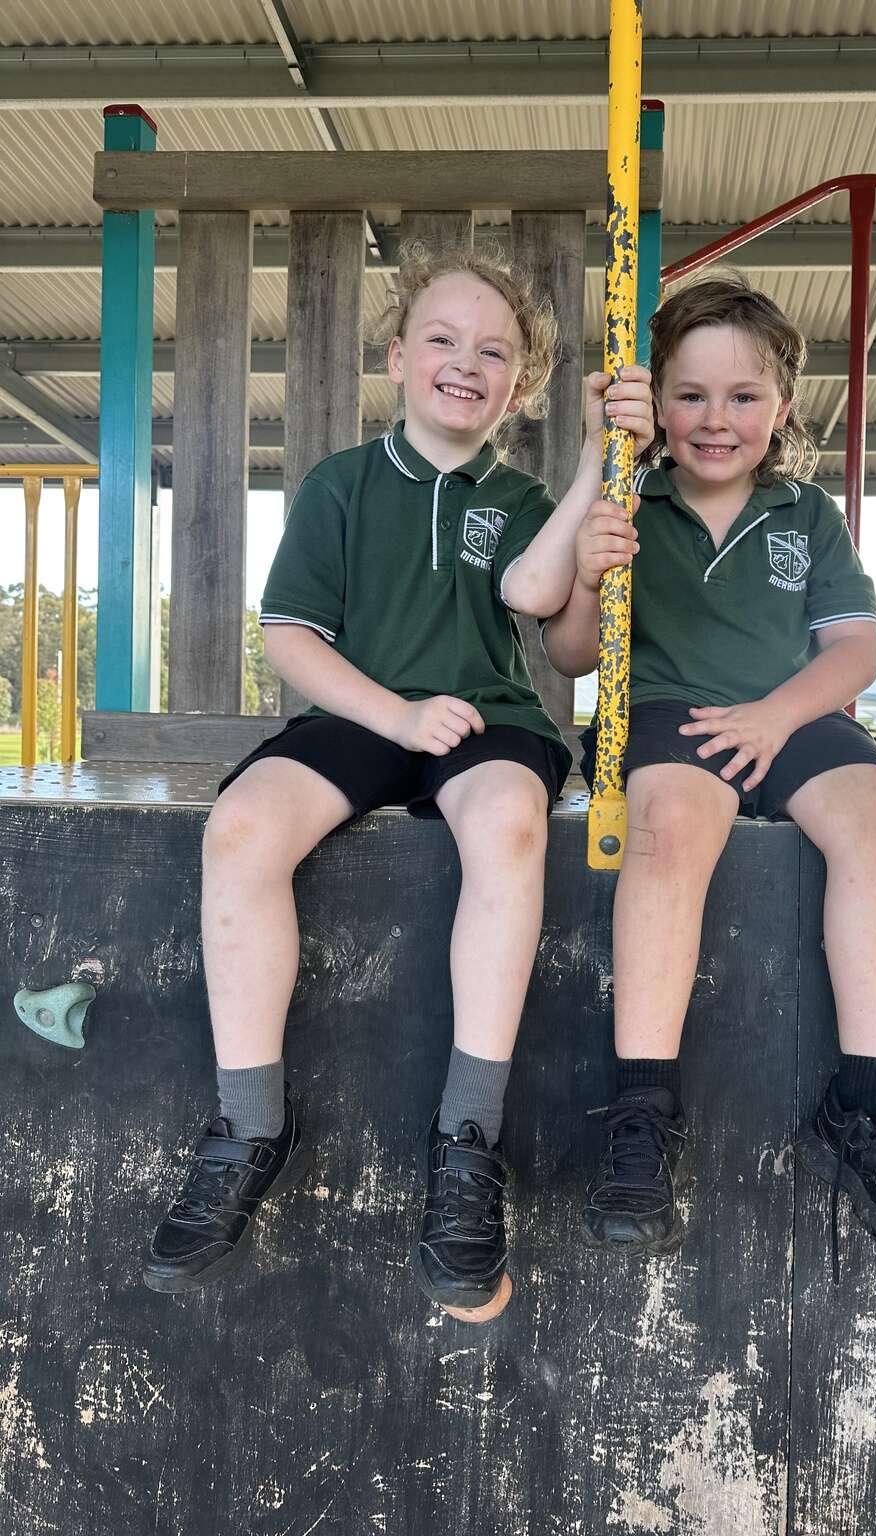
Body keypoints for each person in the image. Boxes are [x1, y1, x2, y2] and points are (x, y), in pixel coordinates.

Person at [142, 242, 652, 1309]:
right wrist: (395, 715)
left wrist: (595, 487)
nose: (466, 362)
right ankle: (246, 1127)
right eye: (443, 339)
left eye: (495, 352)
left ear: (522, 385)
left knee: (512, 815)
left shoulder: (517, 497)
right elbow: (291, 637)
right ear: (398, 354)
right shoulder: (341, 485)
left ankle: (467, 1145)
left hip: (485, 719)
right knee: (240, 827)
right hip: (364, 711)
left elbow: (554, 640)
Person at [544, 274, 876, 1277]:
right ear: (657, 406)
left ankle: (869, 1098)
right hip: (667, 712)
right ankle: (643, 1107)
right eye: (689, 395)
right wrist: (590, 572)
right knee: (673, 822)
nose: (715, 419)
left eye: (743, 396)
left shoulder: (805, 515)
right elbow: (569, 652)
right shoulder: (627, 499)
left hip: (790, 711)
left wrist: (780, 714)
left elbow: (854, 652)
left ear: (782, 406)